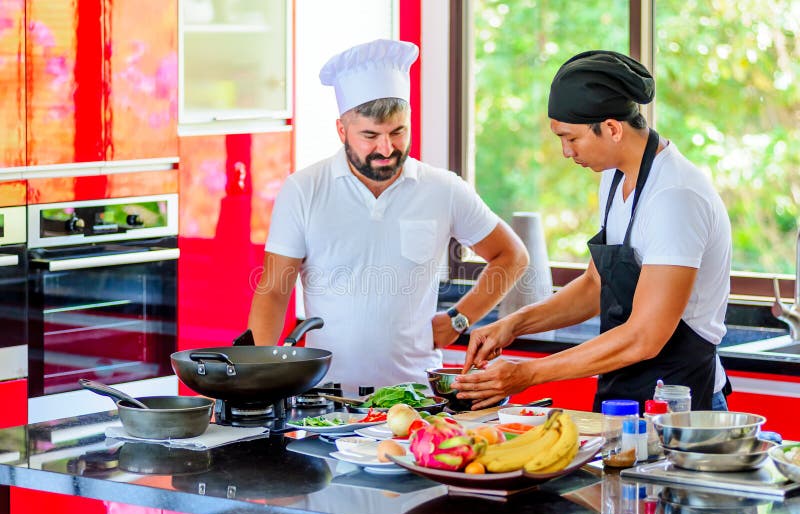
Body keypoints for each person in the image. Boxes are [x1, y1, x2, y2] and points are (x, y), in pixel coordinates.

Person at [453, 50, 732, 413]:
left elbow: (645, 337)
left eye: (571, 138)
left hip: (682, 409)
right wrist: (513, 324)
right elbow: (594, 286)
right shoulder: (614, 178)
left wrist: (529, 374)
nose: (566, 152)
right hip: (626, 399)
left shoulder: (675, 197)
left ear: (613, 129)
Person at [247, 39, 529, 393]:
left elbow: (512, 256)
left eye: (398, 132)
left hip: (416, 397)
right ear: (341, 130)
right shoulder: (304, 189)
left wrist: (458, 319)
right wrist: (255, 380)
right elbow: (274, 291)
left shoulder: (442, 188)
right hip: (327, 398)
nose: (386, 148)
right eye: (370, 136)